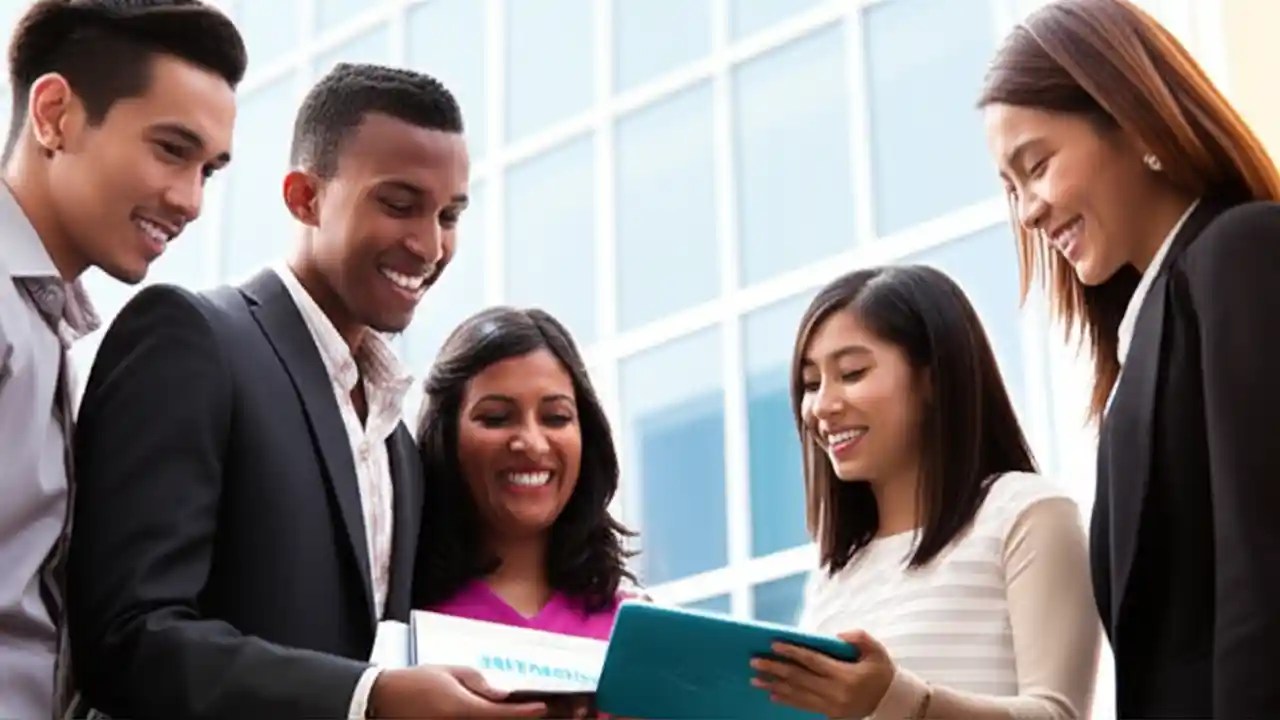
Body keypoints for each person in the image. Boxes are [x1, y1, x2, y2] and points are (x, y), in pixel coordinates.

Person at [66, 64, 544, 719]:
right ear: (304, 197)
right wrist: (367, 699)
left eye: (450, 214)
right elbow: (128, 640)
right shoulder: (193, 340)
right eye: (399, 204)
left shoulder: (398, 443)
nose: (429, 244)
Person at [979, 0, 1280, 716]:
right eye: (1011, 188)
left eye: (1038, 165)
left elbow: (1265, 576)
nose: (1026, 211)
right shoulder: (1134, 356)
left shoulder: (1242, 254)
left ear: (1136, 121)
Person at [0, 1, 245, 717]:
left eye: (210, 169)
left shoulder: (48, 327)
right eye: (171, 149)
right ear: (55, 116)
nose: (193, 200)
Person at [750, 266, 1098, 719]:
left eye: (851, 373)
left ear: (933, 378)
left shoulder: (1026, 515)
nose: (822, 406)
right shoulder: (836, 575)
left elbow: (1058, 714)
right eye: (812, 383)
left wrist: (897, 700)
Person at [415, 306, 637, 641]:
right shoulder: (397, 614)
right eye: (496, 418)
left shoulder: (634, 633)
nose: (532, 444)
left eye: (556, 418)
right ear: (445, 438)